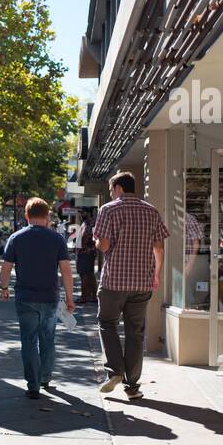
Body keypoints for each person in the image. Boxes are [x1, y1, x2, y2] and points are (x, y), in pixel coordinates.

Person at [93, 171, 168, 400]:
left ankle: (115, 371)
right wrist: (156, 274)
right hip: (142, 282)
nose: (111, 194)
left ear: (118, 188)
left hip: (114, 281)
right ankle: (132, 386)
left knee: (107, 324)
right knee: (135, 332)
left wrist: (97, 241)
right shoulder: (151, 211)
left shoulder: (109, 209)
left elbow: (104, 246)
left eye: (111, 189)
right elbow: (159, 248)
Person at [0, 197, 75, 400]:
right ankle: (46, 377)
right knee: (48, 339)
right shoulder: (57, 239)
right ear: (47, 215)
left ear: (27, 215)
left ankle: (33, 385)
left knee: (29, 341)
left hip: (25, 297)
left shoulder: (16, 237)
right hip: (50, 298)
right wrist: (70, 297)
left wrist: (4, 287)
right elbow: (66, 271)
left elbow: (6, 267)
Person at [76, 209, 98, 304]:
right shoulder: (88, 222)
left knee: (84, 274)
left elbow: (85, 236)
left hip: (85, 252)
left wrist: (81, 246)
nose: (81, 214)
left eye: (82, 212)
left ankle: (84, 296)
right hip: (88, 252)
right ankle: (93, 296)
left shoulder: (88, 223)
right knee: (89, 274)